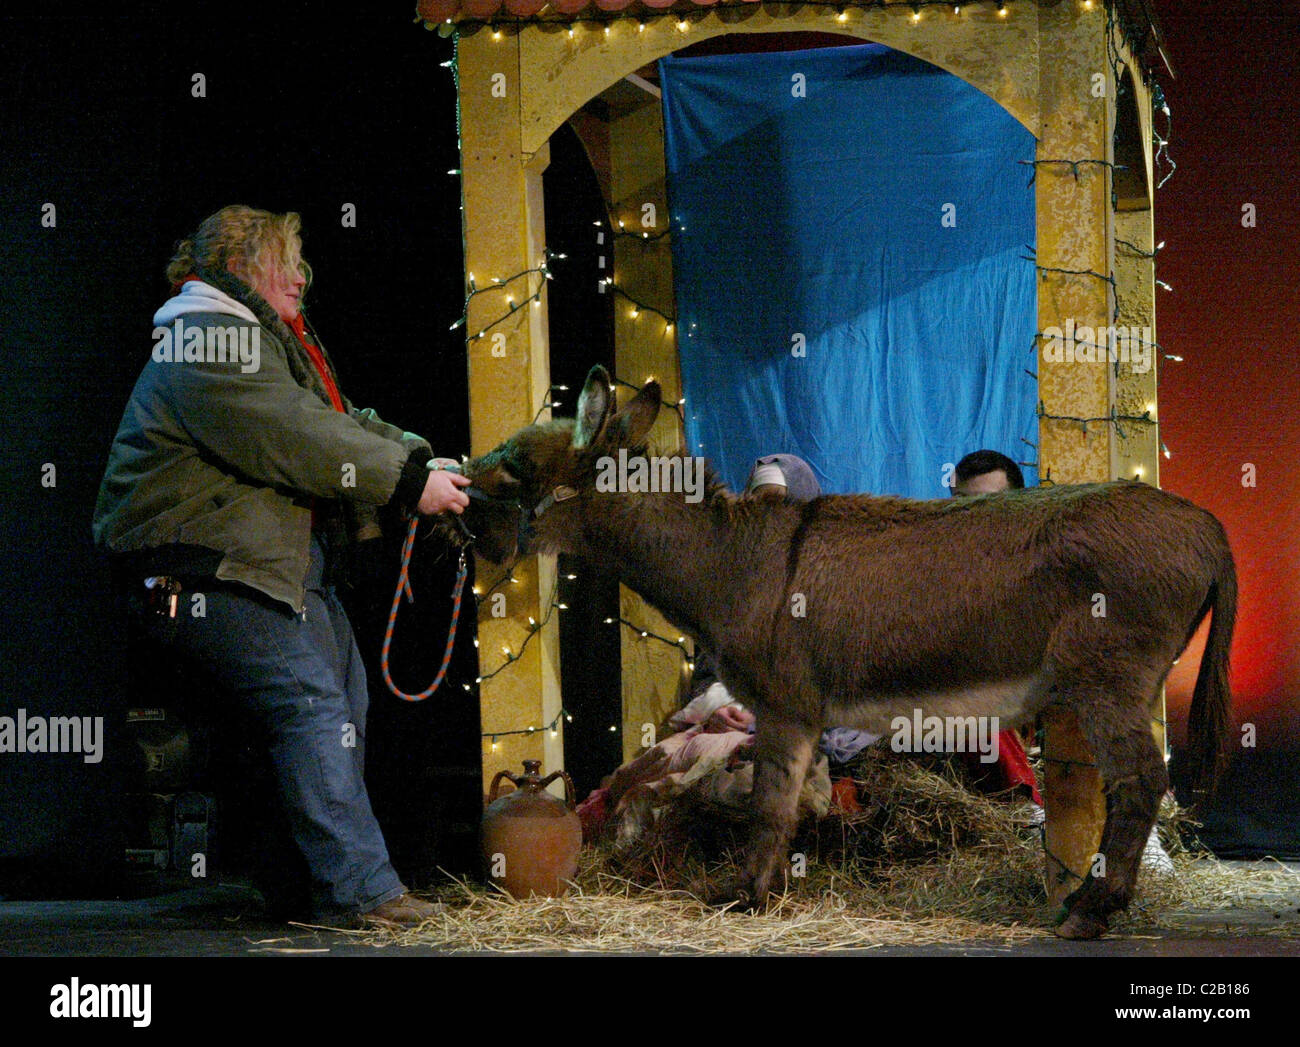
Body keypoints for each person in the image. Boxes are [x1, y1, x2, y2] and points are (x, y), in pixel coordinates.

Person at [93, 205, 472, 926]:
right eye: (285, 261)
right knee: (311, 707)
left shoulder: (267, 345)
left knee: (343, 705)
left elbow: (335, 420)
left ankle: (308, 887)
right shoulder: (206, 339)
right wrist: (402, 480)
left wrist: (417, 461)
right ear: (240, 268)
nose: (301, 276)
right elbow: (293, 433)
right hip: (202, 572)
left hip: (272, 569)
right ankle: (362, 889)